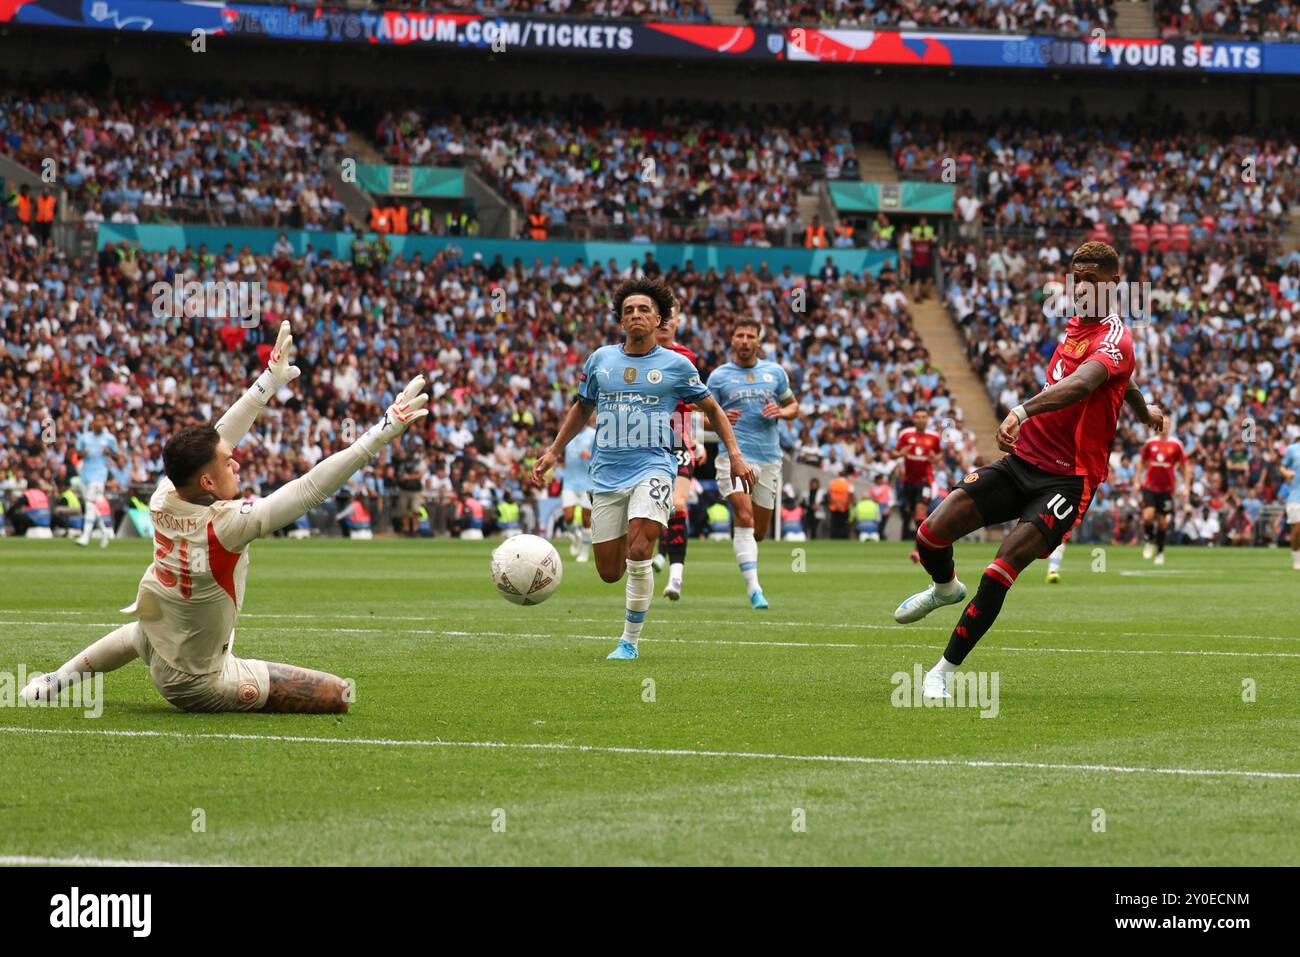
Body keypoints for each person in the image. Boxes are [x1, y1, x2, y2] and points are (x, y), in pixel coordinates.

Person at [21, 321, 429, 713]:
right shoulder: (227, 525)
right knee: (340, 694)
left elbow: (221, 434)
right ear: (207, 482)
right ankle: (62, 680)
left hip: (160, 637)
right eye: (226, 462)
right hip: (197, 683)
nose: (235, 461)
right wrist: (380, 432)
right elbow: (309, 488)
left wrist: (269, 380)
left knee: (141, 633)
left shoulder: (166, 495)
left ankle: (52, 682)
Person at [893, 241, 1165, 701]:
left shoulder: (1118, 336)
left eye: (1092, 281)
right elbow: (1124, 379)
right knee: (930, 534)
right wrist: (1141, 410)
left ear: (1115, 284)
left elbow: (1082, 384)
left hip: (1066, 481)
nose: (1081, 288)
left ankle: (942, 671)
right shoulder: (1077, 325)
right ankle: (944, 588)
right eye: (1076, 279)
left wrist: (1020, 410)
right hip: (1022, 462)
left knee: (1000, 569)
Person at [529, 277, 754, 660]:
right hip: (605, 473)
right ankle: (632, 607)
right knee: (609, 571)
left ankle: (629, 642)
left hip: (654, 466)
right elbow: (582, 408)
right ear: (621, 320)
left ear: (658, 319)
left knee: (639, 547)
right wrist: (553, 452)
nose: (635, 315)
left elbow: (712, 409)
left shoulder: (677, 365)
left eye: (643, 310)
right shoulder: (601, 359)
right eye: (629, 310)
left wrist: (734, 453)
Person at [707, 318, 799, 609]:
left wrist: (782, 412)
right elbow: (702, 415)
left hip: (769, 458)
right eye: (739, 335)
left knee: (758, 531)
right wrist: (718, 419)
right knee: (744, 516)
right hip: (733, 456)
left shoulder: (775, 373)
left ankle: (747, 554)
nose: (745, 341)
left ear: (758, 342)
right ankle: (755, 590)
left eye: (750, 336)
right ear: (732, 340)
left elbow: (794, 406)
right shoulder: (719, 377)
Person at [653, 299, 706, 601]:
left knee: (680, 503)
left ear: (675, 324)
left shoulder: (686, 356)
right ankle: (652, 556)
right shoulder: (637, 354)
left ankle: (676, 578)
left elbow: (693, 401)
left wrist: (696, 441)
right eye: (660, 320)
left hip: (677, 437)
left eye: (668, 321)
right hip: (644, 440)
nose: (663, 326)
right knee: (656, 505)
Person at [1136, 426, 1190, 566]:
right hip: (1150, 487)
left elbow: (1185, 466)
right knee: (1147, 516)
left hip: (1167, 489)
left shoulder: (1176, 444)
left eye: (1166, 424)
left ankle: (1160, 552)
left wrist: (1186, 486)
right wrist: (1137, 480)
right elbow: (1142, 462)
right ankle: (1148, 540)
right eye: (1162, 423)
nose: (1164, 427)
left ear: (1170, 426)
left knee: (1163, 523)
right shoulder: (1150, 443)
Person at [896, 408, 942, 552]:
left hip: (926, 480)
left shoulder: (934, 437)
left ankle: (918, 550)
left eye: (924, 417)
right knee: (912, 515)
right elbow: (893, 452)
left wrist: (935, 459)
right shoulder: (905, 434)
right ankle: (925, 539)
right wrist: (899, 453)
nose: (921, 419)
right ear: (913, 419)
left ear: (928, 419)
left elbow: (939, 455)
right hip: (908, 482)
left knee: (920, 513)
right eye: (918, 417)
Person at [74, 411, 119, 548]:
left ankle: (85, 536)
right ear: (92, 423)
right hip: (86, 475)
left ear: (104, 423)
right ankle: (105, 531)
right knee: (92, 505)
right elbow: (78, 454)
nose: (98, 423)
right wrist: (83, 454)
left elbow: (116, 456)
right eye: (96, 420)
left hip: (100, 475)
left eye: (100, 420)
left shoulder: (109, 438)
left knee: (89, 503)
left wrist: (109, 453)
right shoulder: (85, 437)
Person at [560, 414, 596, 563]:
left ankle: (585, 552)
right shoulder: (567, 433)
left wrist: (591, 455)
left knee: (586, 518)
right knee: (568, 517)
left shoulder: (593, 434)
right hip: (569, 482)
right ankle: (577, 537)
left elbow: (603, 454)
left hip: (588, 482)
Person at [1281, 437, 1300, 570]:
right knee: (1297, 530)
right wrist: (1286, 472)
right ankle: (1296, 559)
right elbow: (1282, 467)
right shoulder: (1292, 449)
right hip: (1296, 496)